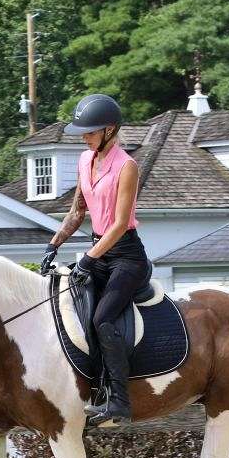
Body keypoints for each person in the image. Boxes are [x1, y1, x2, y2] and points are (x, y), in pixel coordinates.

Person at [40, 93, 151, 427]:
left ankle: (119, 401)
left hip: (126, 257)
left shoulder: (126, 166)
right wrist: (54, 243)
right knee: (72, 310)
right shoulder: (85, 161)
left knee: (103, 318)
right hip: (98, 252)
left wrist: (88, 259)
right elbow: (77, 212)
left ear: (110, 130)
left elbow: (118, 225)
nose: (84, 137)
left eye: (89, 131)